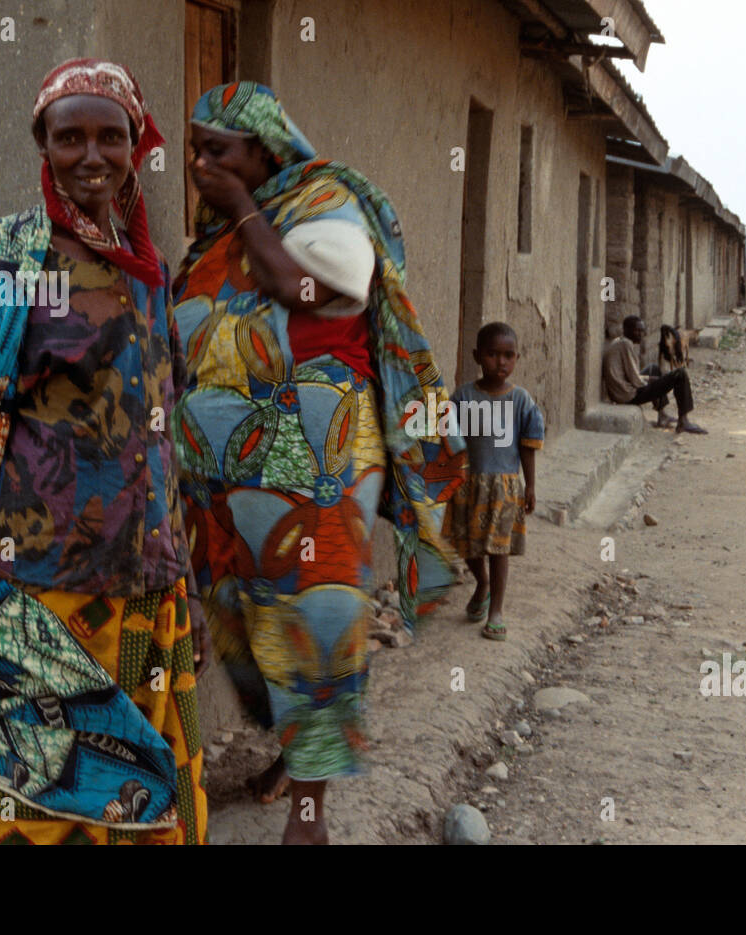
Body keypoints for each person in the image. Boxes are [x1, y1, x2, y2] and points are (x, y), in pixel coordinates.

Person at [0, 59, 209, 843]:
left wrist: (189, 586)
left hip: (150, 591)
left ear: (137, 146)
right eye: (71, 137)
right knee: (50, 818)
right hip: (44, 599)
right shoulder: (5, 259)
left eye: (112, 136)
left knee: (155, 810)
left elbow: (161, 438)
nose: (92, 155)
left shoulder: (150, 272)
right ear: (44, 143)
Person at [171, 82, 465, 844]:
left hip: (318, 465)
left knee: (315, 622)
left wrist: (241, 205)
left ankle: (310, 809)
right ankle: (296, 750)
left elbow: (307, 287)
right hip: (226, 480)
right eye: (196, 148)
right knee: (240, 627)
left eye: (219, 150)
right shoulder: (212, 237)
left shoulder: (321, 204)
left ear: (266, 150)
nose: (202, 163)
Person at [445, 322, 544, 641]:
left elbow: (528, 449)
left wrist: (530, 486)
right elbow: (449, 440)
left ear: (517, 358)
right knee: (471, 546)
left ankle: (496, 611)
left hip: (504, 488)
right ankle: (482, 583)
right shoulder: (463, 397)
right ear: (477, 356)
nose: (500, 362)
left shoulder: (521, 401)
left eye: (508, 355)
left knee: (499, 549)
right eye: (492, 354)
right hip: (469, 486)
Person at [604, 316, 705, 433]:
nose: (641, 334)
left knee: (653, 368)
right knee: (680, 374)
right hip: (627, 396)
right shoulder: (626, 344)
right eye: (637, 330)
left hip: (620, 392)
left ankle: (662, 416)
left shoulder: (620, 341)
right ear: (626, 330)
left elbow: (632, 376)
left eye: (642, 331)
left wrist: (655, 379)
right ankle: (683, 421)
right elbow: (635, 380)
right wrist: (657, 381)